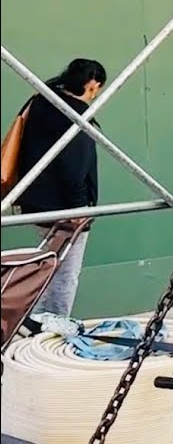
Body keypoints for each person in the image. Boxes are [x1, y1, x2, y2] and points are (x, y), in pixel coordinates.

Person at [10, 58, 107, 317]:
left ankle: (33, 322)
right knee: (65, 275)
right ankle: (50, 328)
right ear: (92, 85)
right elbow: (75, 168)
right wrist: (79, 211)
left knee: (46, 267)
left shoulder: (41, 102)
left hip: (36, 204)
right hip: (66, 208)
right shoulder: (76, 114)